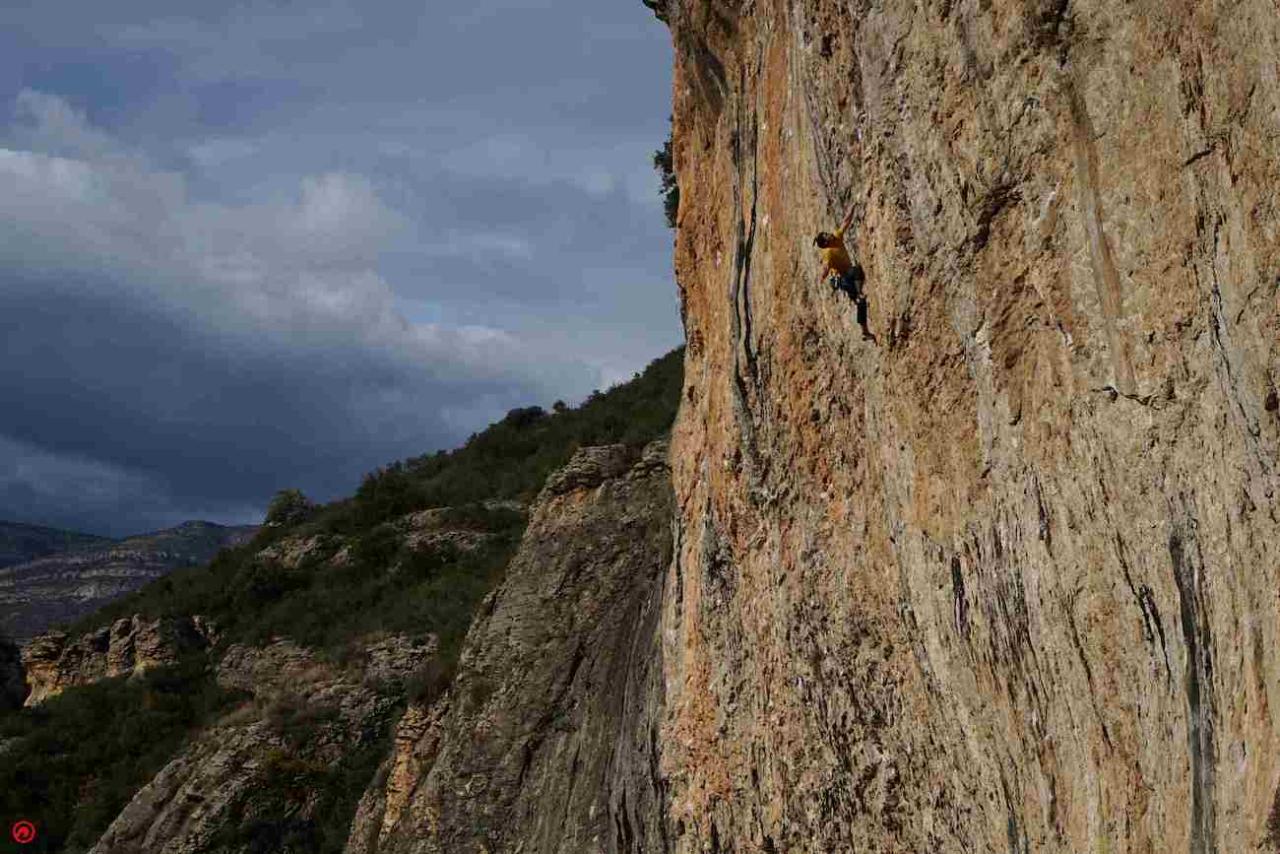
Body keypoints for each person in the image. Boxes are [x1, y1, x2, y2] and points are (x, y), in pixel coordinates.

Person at [815, 204, 875, 342]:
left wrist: (853, 207)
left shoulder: (837, 238)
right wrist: (822, 277)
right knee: (856, 270)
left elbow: (845, 222)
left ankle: (865, 332)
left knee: (861, 303)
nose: (829, 234)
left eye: (827, 233)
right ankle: (859, 292)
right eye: (826, 235)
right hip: (844, 280)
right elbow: (825, 267)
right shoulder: (828, 253)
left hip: (848, 277)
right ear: (826, 243)